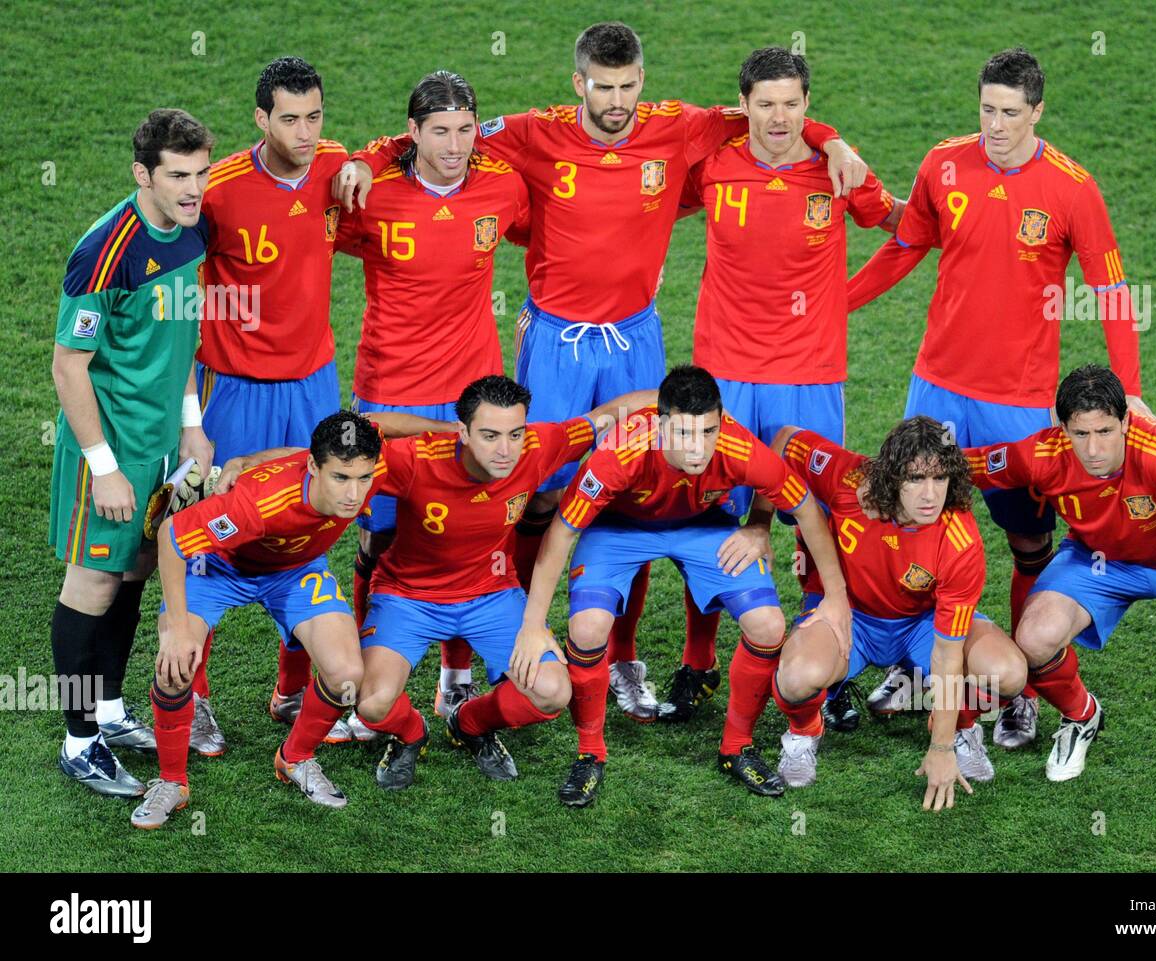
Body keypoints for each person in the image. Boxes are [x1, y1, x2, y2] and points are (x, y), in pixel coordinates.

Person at [336, 22, 869, 724]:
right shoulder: (533, 131)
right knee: (525, 486)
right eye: (602, 87)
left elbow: (773, 117)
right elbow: (436, 138)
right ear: (577, 82)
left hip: (636, 337)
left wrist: (831, 139)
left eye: (626, 87)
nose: (615, 101)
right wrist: (373, 158)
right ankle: (507, 643)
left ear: (640, 82)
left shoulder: (678, 125)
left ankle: (623, 660)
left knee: (639, 487)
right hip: (555, 336)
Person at [846, 48, 1154, 749]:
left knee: (1027, 542)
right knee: (917, 523)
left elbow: (1110, 291)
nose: (995, 125)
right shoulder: (944, 162)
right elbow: (905, 246)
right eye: (987, 109)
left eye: (1010, 113)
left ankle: (1024, 688)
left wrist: (1128, 391)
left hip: (1018, 404)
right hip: (937, 387)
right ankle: (911, 663)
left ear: (1037, 111)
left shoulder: (1073, 188)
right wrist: (837, 303)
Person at [658, 45, 902, 723]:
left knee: (815, 517)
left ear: (807, 104)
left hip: (809, 372)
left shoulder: (839, 172)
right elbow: (645, 202)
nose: (779, 116)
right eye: (764, 103)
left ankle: (830, 657)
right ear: (743, 106)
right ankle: (698, 661)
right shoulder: (712, 163)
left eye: (793, 103)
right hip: (725, 370)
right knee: (708, 511)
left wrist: (844, 300)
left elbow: (907, 227)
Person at [515, 366, 851, 806]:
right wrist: (534, 623)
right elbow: (560, 532)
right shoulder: (620, 452)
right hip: (620, 528)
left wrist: (829, 590)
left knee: (769, 626)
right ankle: (590, 754)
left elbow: (807, 510)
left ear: (721, 421)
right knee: (586, 629)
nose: (698, 447)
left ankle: (737, 748)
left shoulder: (738, 445)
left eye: (708, 431)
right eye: (685, 434)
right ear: (659, 424)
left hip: (704, 527)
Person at [130, 410, 452, 828]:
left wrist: (451, 430)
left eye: (363, 478)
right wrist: (175, 629)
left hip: (295, 569)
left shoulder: (365, 459)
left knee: (347, 674)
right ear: (314, 468)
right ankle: (171, 782)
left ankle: (295, 758)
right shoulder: (257, 505)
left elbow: (373, 422)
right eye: (340, 478)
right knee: (175, 668)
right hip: (221, 567)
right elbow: (172, 536)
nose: (354, 494)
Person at [966, 366, 1156, 791]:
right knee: (1034, 638)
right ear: (1060, 427)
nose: (1093, 449)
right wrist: (883, 476)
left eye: (1106, 431)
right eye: (1081, 434)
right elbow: (965, 468)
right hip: (1099, 561)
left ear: (1127, 421)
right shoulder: (1041, 454)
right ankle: (1081, 717)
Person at [336, 70, 530, 727]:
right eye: (438, 131)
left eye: (464, 129)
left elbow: (552, 227)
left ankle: (455, 674)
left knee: (467, 533)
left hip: (469, 400)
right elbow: (311, 229)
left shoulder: (502, 184)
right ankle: (365, 671)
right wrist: (370, 154)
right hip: (388, 393)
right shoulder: (371, 193)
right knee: (379, 538)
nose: (453, 144)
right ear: (412, 132)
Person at [352, 377, 653, 788]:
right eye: (490, 435)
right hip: (408, 596)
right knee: (370, 703)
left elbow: (606, 415)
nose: (505, 450)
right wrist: (244, 469)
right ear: (463, 432)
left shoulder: (539, 446)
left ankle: (469, 722)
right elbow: (353, 431)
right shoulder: (415, 458)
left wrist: (678, 403)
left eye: (515, 433)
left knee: (551, 691)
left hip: (491, 595)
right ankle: (410, 733)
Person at [49, 108, 214, 797]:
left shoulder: (191, 231)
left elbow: (177, 338)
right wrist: (105, 466)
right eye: (178, 175)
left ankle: (111, 712)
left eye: (201, 172)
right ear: (141, 173)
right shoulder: (104, 249)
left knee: (138, 569)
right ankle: (79, 740)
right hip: (108, 450)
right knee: (91, 584)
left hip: (159, 445)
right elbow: (68, 366)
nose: (193, 188)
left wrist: (190, 422)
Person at [194, 56, 351, 752]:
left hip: (315, 382)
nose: (305, 131)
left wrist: (366, 166)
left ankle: (290, 689)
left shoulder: (333, 164)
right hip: (237, 387)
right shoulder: (218, 191)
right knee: (214, 539)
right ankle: (190, 696)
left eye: (314, 115)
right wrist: (188, 416)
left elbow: (379, 151)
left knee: (313, 524)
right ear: (260, 119)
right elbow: (174, 291)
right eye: (289, 118)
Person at [768, 418, 1026, 808]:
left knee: (1007, 673)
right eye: (916, 478)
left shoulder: (960, 539)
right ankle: (804, 731)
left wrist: (940, 748)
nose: (930, 495)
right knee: (796, 678)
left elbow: (947, 652)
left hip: (923, 627)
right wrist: (756, 523)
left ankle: (963, 728)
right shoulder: (849, 480)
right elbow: (787, 441)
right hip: (853, 618)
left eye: (940, 479)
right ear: (891, 478)